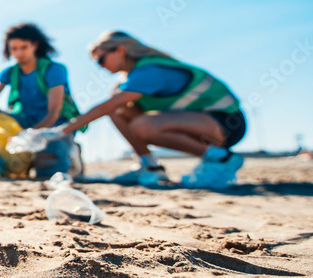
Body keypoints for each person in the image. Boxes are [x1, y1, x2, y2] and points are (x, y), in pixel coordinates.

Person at [59, 31, 246, 187]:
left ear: (120, 50)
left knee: (140, 123)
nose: (100, 66)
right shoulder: (131, 78)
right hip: (200, 122)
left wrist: (62, 131)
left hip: (226, 123)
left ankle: (221, 159)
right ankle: (150, 166)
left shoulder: (149, 71)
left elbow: (107, 106)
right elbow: (113, 107)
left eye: (101, 59)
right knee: (118, 110)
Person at [0, 23, 82, 177]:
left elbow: (53, 114)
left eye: (24, 47)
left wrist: (28, 136)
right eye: (14, 49)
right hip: (24, 121)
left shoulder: (54, 70)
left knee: (48, 172)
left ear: (35, 46)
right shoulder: (9, 72)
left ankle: (71, 150)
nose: (19, 53)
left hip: (53, 127)